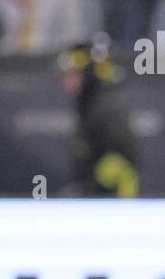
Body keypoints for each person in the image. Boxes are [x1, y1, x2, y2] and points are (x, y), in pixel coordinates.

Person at [59, 38, 139, 197]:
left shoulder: (105, 109)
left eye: (73, 74)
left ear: (87, 75)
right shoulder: (87, 106)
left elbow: (125, 161)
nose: (66, 82)